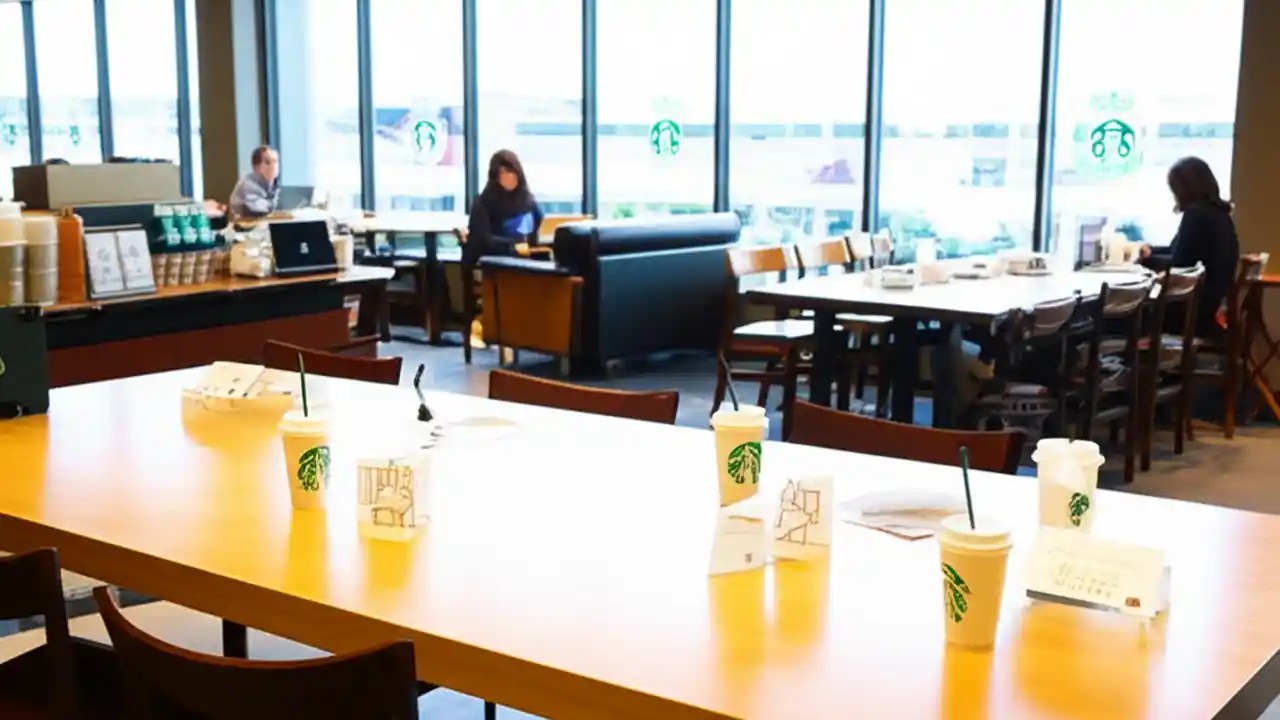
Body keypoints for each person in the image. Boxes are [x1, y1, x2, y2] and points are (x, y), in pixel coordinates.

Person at [1138, 156, 1240, 338]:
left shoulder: (1196, 215)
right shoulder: (1220, 214)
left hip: (1189, 312)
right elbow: (1179, 251)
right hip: (1207, 307)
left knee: (1110, 318)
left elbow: (1181, 264)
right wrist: (1151, 251)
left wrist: (1145, 261)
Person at [464, 149, 543, 266]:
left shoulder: (529, 203)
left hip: (528, 264)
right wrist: (513, 246)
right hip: (495, 266)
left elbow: (536, 234)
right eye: (502, 172)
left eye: (510, 171)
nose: (508, 177)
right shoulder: (483, 203)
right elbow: (482, 242)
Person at [229, 146, 281, 220]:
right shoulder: (247, 184)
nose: (273, 166)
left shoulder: (274, 184)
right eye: (268, 162)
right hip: (244, 227)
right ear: (256, 167)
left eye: (275, 161)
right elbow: (260, 209)